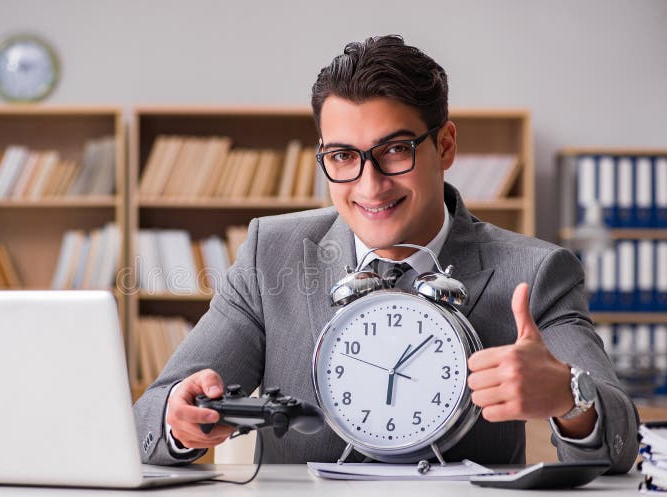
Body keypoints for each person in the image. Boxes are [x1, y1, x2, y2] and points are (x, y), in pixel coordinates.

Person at [133, 35, 639, 473]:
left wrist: (571, 398)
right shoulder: (272, 256)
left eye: (395, 150)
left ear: (445, 147)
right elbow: (146, 420)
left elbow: (620, 442)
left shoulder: (536, 271)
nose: (370, 185)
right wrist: (180, 419)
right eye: (342, 156)